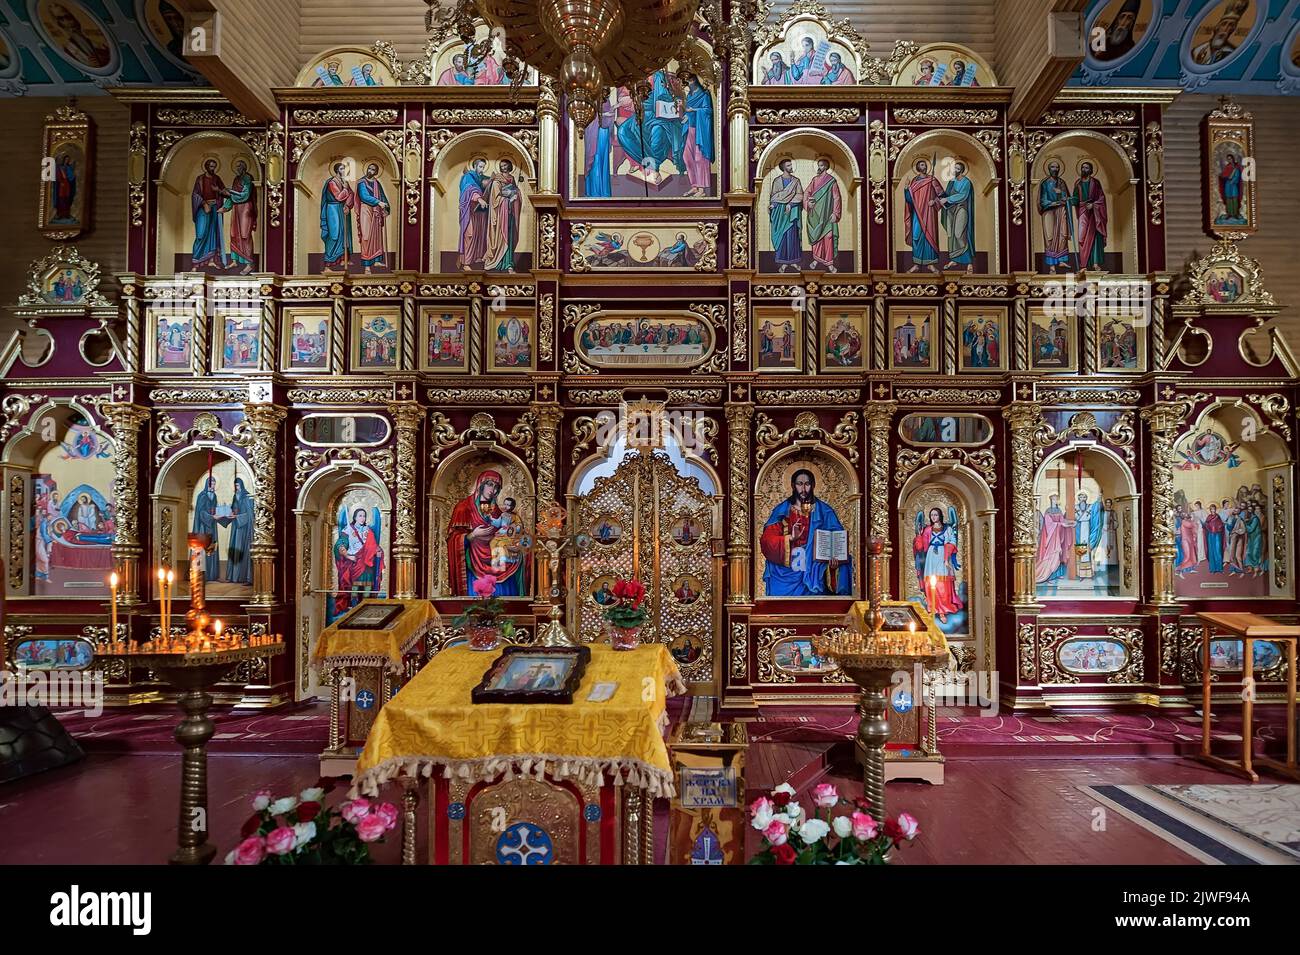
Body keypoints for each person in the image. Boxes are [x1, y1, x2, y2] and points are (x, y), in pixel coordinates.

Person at [759, 469, 852, 596]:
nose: (803, 488)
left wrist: (834, 561)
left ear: (813, 485)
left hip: (815, 565)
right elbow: (767, 541)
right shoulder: (781, 511)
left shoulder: (825, 511)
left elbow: (837, 539)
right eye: (799, 484)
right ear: (792, 485)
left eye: (807, 484)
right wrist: (790, 538)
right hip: (788, 565)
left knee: (845, 563)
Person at [447, 469, 524, 596]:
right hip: (475, 561)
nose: (492, 490)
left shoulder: (498, 511)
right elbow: (453, 539)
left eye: (496, 487)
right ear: (481, 485)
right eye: (489, 484)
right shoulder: (464, 507)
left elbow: (507, 529)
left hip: (498, 558)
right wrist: (473, 535)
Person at [913, 508, 962, 624]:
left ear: (940, 515)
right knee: (930, 582)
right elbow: (921, 548)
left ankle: (943, 610)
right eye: (932, 515)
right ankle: (932, 607)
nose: (934, 517)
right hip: (931, 556)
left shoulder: (948, 529)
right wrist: (918, 535)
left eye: (935, 515)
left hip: (943, 555)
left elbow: (952, 542)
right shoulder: (927, 530)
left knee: (943, 584)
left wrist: (946, 557)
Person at [904, 159, 943, 273]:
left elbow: (942, 196)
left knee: (929, 235)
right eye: (922, 164)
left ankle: (930, 264)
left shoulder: (932, 180)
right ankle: (916, 264)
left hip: (929, 213)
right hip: (917, 213)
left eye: (925, 164)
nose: (924, 166)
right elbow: (909, 200)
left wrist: (934, 201)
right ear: (917, 167)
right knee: (917, 236)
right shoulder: (914, 182)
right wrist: (906, 188)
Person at [804, 158, 842, 272]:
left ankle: (829, 263)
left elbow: (836, 198)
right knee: (817, 238)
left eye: (821, 165)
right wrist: (807, 203)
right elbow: (807, 193)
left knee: (828, 237)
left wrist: (836, 213)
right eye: (818, 165)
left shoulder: (831, 181)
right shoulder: (814, 180)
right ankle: (816, 259)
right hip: (815, 214)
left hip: (827, 214)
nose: (819, 168)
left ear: (825, 167)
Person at [484, 159, 522, 272]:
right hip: (501, 216)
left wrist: (516, 194)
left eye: (505, 165)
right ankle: (498, 263)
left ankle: (509, 264)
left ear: (509, 166)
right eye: (501, 166)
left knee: (509, 239)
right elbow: (495, 200)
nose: (503, 167)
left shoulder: (512, 179)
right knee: (501, 237)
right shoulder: (497, 180)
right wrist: (508, 199)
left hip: (510, 215)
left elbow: (516, 193)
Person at [938, 161, 976, 273]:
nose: (955, 170)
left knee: (959, 233)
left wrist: (948, 199)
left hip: (961, 208)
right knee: (951, 234)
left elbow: (962, 195)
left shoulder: (966, 182)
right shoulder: (951, 182)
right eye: (954, 168)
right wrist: (939, 199)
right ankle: (954, 259)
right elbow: (946, 194)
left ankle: (969, 262)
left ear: (962, 170)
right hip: (950, 210)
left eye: (957, 168)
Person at [768, 159, 805, 273]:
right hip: (780, 213)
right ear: (784, 167)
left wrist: (791, 203)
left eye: (791, 165)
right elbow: (774, 196)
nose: (790, 167)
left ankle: (793, 261)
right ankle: (783, 262)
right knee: (782, 237)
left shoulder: (796, 181)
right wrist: (772, 206)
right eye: (788, 165)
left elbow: (800, 195)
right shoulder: (777, 181)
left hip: (792, 213)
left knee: (792, 236)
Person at [191, 158, 228, 269]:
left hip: (215, 208)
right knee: (201, 234)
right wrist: (204, 204)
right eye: (211, 166)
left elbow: (226, 193)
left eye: (214, 166)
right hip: (203, 208)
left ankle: (211, 260)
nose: (213, 169)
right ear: (206, 166)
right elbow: (195, 195)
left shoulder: (217, 179)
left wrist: (218, 191)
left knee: (213, 234)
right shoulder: (200, 179)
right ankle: (195, 262)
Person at [319, 162, 355, 273]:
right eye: (342, 168)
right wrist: (345, 190)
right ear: (337, 170)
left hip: (343, 209)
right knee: (334, 234)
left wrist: (348, 206)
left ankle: (343, 259)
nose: (344, 170)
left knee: (344, 234)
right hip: (333, 209)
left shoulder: (345, 182)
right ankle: (328, 264)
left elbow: (351, 194)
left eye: (344, 168)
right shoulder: (331, 182)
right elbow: (339, 196)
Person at [355, 163, 390, 275]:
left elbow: (382, 196)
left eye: (373, 170)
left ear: (376, 172)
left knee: (376, 236)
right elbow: (364, 196)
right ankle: (366, 266)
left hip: (376, 211)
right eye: (369, 168)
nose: (370, 171)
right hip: (366, 209)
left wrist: (386, 208)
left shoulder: (376, 183)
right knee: (366, 236)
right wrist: (378, 202)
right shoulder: (361, 183)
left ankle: (376, 261)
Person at [1072, 161, 1108, 271]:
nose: (1084, 169)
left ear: (1091, 170)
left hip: (1094, 214)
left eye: (1087, 168)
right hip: (1083, 212)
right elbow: (1075, 199)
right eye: (1083, 168)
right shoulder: (1078, 183)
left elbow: (1101, 198)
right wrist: (1068, 200)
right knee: (1082, 238)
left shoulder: (1096, 183)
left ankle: (1095, 264)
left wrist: (1094, 205)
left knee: (1095, 237)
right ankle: (1083, 265)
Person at [1039, 159, 1072, 273]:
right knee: (1050, 237)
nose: (1055, 169)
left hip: (1061, 211)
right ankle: (1052, 267)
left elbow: (1067, 197)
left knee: (1062, 235)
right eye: (1053, 167)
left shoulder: (1062, 182)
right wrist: (1054, 203)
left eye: (1057, 167)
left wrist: (1062, 196)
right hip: (1049, 211)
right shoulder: (1045, 183)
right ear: (1049, 169)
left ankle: (1062, 260)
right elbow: (1042, 200)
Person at [225, 159, 257, 275]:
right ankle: (235, 260)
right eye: (237, 167)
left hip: (245, 208)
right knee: (234, 234)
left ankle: (249, 264)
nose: (238, 169)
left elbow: (246, 194)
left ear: (244, 167)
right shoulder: (236, 179)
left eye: (240, 166)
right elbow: (231, 196)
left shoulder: (247, 178)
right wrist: (225, 207)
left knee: (244, 235)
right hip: (236, 209)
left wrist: (231, 193)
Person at [457, 157, 490, 270]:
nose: (482, 169)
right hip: (468, 210)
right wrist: (479, 199)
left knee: (478, 234)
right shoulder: (468, 176)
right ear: (475, 166)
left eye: (483, 167)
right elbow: (468, 189)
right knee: (469, 234)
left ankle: (476, 257)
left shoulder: (479, 178)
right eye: (480, 166)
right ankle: (466, 262)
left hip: (477, 212)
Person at [224, 477, 254, 584]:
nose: (236, 488)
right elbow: (233, 510)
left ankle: (244, 578)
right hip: (236, 527)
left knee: (243, 551)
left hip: (244, 529)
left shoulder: (247, 497)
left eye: (237, 485)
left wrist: (238, 517)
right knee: (235, 550)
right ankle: (234, 577)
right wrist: (230, 514)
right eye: (235, 485)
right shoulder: (235, 496)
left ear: (241, 485)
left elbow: (249, 515)